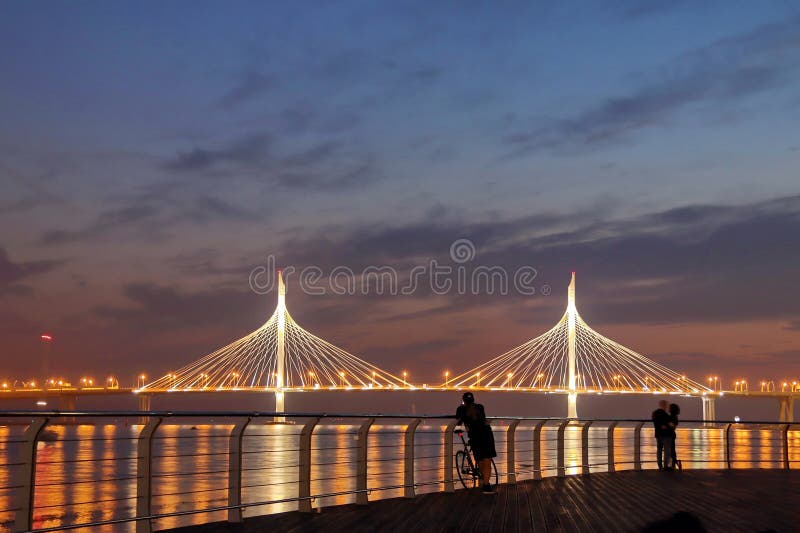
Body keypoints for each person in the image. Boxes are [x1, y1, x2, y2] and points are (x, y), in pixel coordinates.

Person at [456, 391, 497, 493]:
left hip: (475, 436)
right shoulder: (480, 407)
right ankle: (486, 485)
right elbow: (483, 419)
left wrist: (458, 430)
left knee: (480, 459)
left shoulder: (461, 409)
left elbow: (459, 421)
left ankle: (483, 482)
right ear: (473, 400)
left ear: (463, 401)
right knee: (487, 459)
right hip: (487, 433)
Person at [651, 400, 672, 470]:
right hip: (666, 435)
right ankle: (665, 466)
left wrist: (662, 425)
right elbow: (669, 424)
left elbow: (656, 423)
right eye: (666, 405)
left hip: (658, 434)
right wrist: (666, 426)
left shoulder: (654, 413)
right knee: (667, 451)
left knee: (659, 450)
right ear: (664, 405)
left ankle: (660, 466)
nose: (667, 407)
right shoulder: (665, 415)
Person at [668, 403, 681, 471]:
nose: (668, 408)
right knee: (672, 449)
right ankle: (674, 463)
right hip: (672, 434)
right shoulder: (675, 416)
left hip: (670, 434)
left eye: (669, 407)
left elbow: (673, 425)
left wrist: (667, 423)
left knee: (671, 450)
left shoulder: (672, 416)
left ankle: (673, 464)